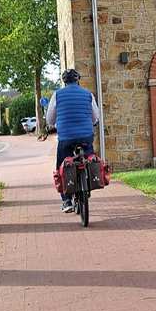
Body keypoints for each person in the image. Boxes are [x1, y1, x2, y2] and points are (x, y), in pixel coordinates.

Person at [45, 68, 100, 212]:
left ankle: (67, 201)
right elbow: (96, 116)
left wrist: (52, 125)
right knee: (90, 158)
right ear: (78, 80)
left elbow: (50, 118)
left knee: (61, 165)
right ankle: (87, 184)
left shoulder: (57, 95)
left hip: (66, 138)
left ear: (64, 82)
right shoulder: (88, 94)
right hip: (86, 136)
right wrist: (93, 122)